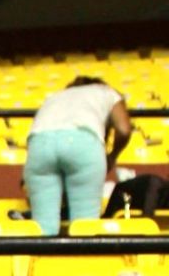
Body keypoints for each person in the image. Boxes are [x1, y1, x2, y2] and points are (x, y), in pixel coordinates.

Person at [24, 75, 133, 235]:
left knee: (43, 229)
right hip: (83, 141)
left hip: (39, 143)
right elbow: (124, 130)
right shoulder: (107, 92)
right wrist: (112, 156)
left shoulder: (55, 96)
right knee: (84, 228)